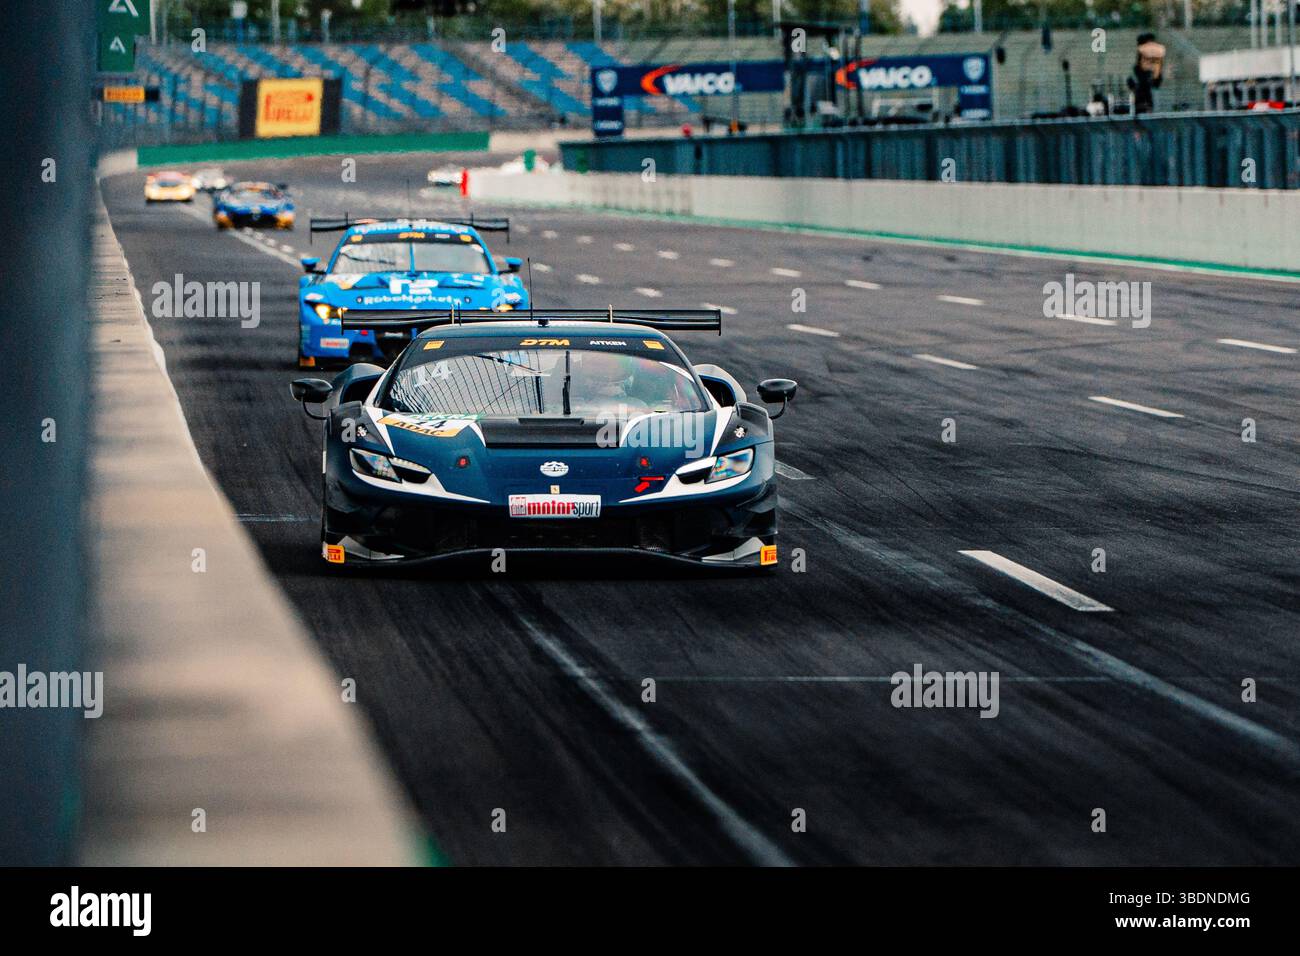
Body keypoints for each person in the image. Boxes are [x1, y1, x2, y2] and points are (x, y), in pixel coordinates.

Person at [1128, 33, 1165, 115]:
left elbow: (1139, 63)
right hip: (1154, 74)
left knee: (1144, 91)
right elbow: (1160, 63)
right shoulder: (1159, 49)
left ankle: (1144, 106)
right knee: (1148, 93)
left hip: (1145, 75)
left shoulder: (1142, 49)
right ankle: (1148, 107)